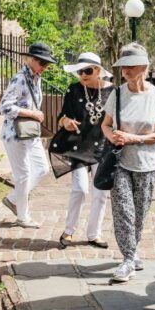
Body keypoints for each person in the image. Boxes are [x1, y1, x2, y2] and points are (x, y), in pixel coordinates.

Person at [101, 43, 155, 282]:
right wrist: (113, 137)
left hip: (147, 164)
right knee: (124, 212)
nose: (126, 71)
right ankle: (128, 258)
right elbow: (105, 124)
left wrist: (134, 138)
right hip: (120, 163)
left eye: (131, 66)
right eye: (123, 67)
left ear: (144, 67)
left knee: (139, 214)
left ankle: (133, 250)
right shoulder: (117, 94)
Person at [52, 52, 114, 248]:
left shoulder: (113, 92)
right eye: (80, 72)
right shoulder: (74, 90)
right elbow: (62, 115)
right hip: (78, 146)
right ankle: (69, 230)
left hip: (102, 147)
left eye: (87, 71)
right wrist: (66, 122)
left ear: (98, 70)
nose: (83, 75)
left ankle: (94, 234)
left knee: (100, 193)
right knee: (80, 189)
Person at [0, 42, 57, 228]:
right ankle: (23, 217)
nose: (44, 67)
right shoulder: (20, 79)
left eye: (47, 64)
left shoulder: (36, 78)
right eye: (42, 63)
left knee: (41, 168)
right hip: (15, 133)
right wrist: (32, 113)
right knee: (23, 174)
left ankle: (14, 199)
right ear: (30, 59)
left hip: (30, 133)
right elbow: (5, 107)